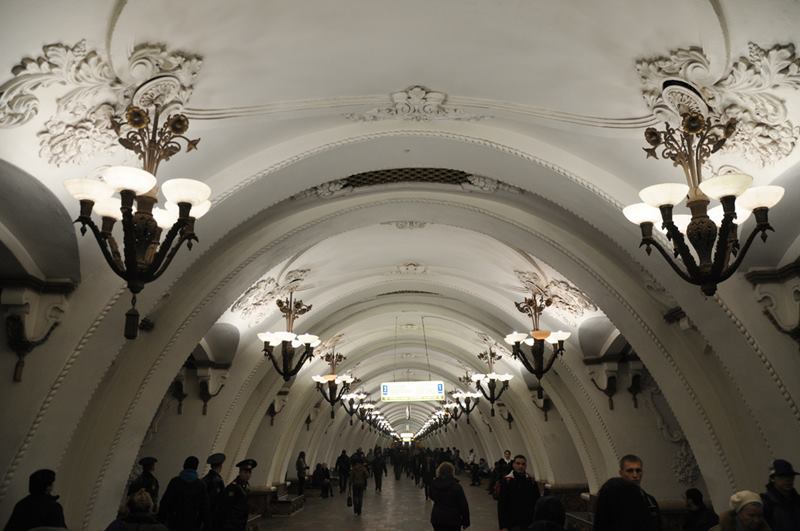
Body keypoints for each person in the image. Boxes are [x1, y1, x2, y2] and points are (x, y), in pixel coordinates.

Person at [593, 454, 662, 531]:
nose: (635, 475)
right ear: (621, 473)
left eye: (638, 471)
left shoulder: (649, 500)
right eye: (630, 471)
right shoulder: (612, 497)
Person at [158, 456, 211, 531]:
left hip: (173, 521)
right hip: (191, 523)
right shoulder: (200, 485)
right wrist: (207, 525)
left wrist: (160, 519)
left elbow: (165, 502)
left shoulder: (175, 482)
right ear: (196, 468)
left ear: (184, 466)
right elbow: (205, 508)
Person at [497, 454, 541, 531]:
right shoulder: (507, 481)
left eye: (523, 464)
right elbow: (502, 504)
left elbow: (537, 501)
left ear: (526, 466)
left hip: (528, 521)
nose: (520, 466)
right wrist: (503, 526)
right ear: (513, 465)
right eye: (518, 463)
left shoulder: (531, 481)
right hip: (512, 522)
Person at [761, 458, 800, 531]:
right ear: (772, 479)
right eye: (782, 476)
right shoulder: (766, 502)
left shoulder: (797, 500)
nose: (788, 480)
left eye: (791, 476)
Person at [218, 459, 257, 531]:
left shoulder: (245, 486)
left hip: (241, 523)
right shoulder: (233, 487)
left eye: (249, 472)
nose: (248, 475)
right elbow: (227, 507)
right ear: (240, 472)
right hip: (232, 525)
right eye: (245, 472)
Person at [430, 461, 470, 531]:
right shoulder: (456, 486)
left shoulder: (434, 484)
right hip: (453, 519)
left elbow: (432, 496)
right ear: (452, 472)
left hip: (437, 518)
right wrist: (466, 521)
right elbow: (463, 505)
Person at [202, 453, 226, 530]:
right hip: (214, 516)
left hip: (204, 516)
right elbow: (219, 499)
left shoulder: (205, 479)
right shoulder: (217, 481)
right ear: (220, 466)